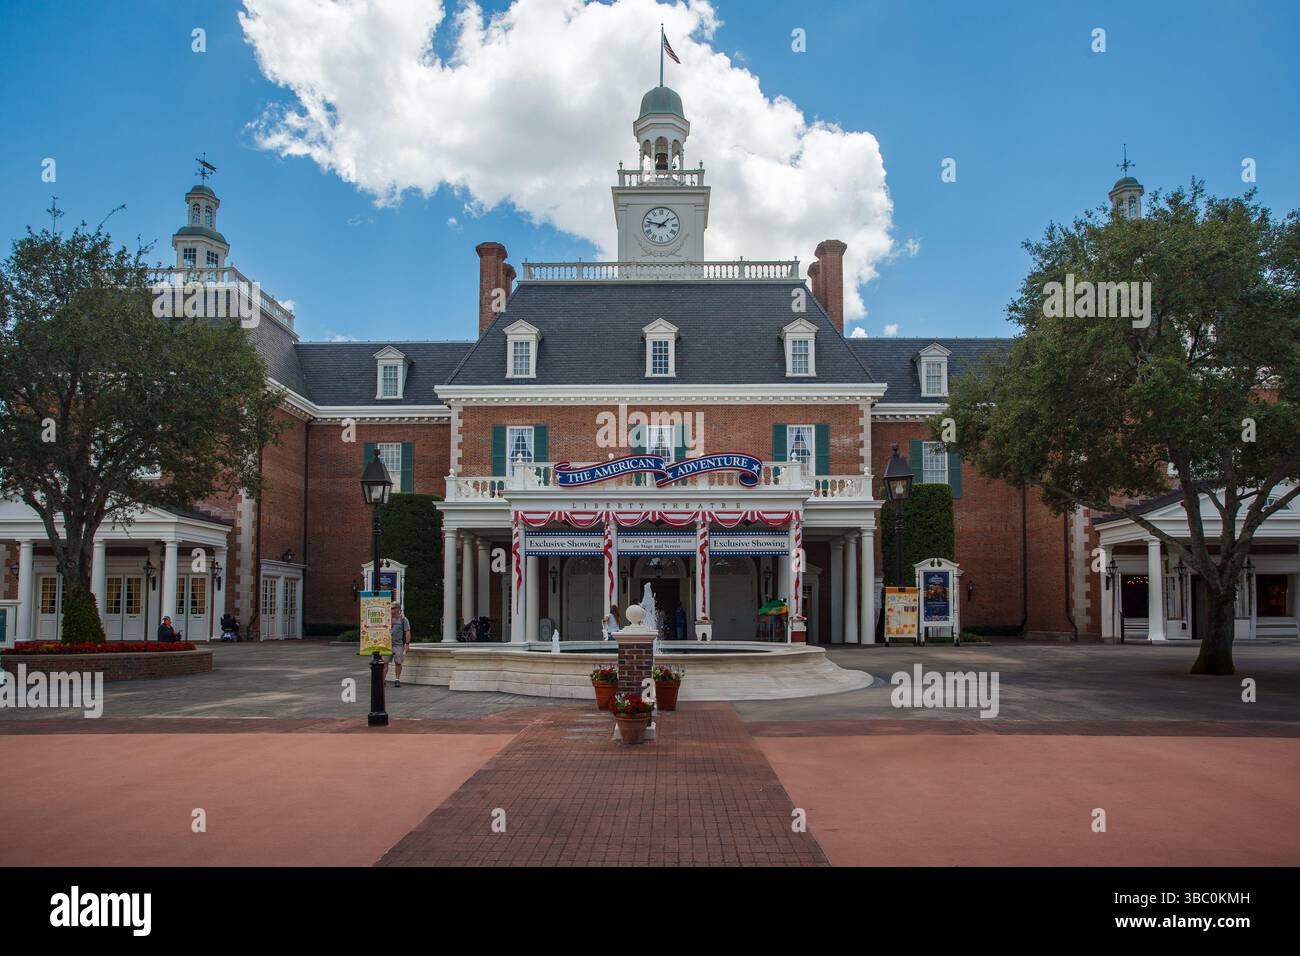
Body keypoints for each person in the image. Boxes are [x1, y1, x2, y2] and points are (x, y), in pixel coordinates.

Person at [385, 603, 412, 686]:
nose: (391, 610)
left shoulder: (403, 619)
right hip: (386, 644)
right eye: (391, 608)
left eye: (393, 608)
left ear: (398, 609)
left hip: (398, 645)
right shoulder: (386, 618)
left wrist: (407, 644)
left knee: (398, 662)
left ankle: (397, 679)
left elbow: (407, 632)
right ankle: (383, 680)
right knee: (384, 663)